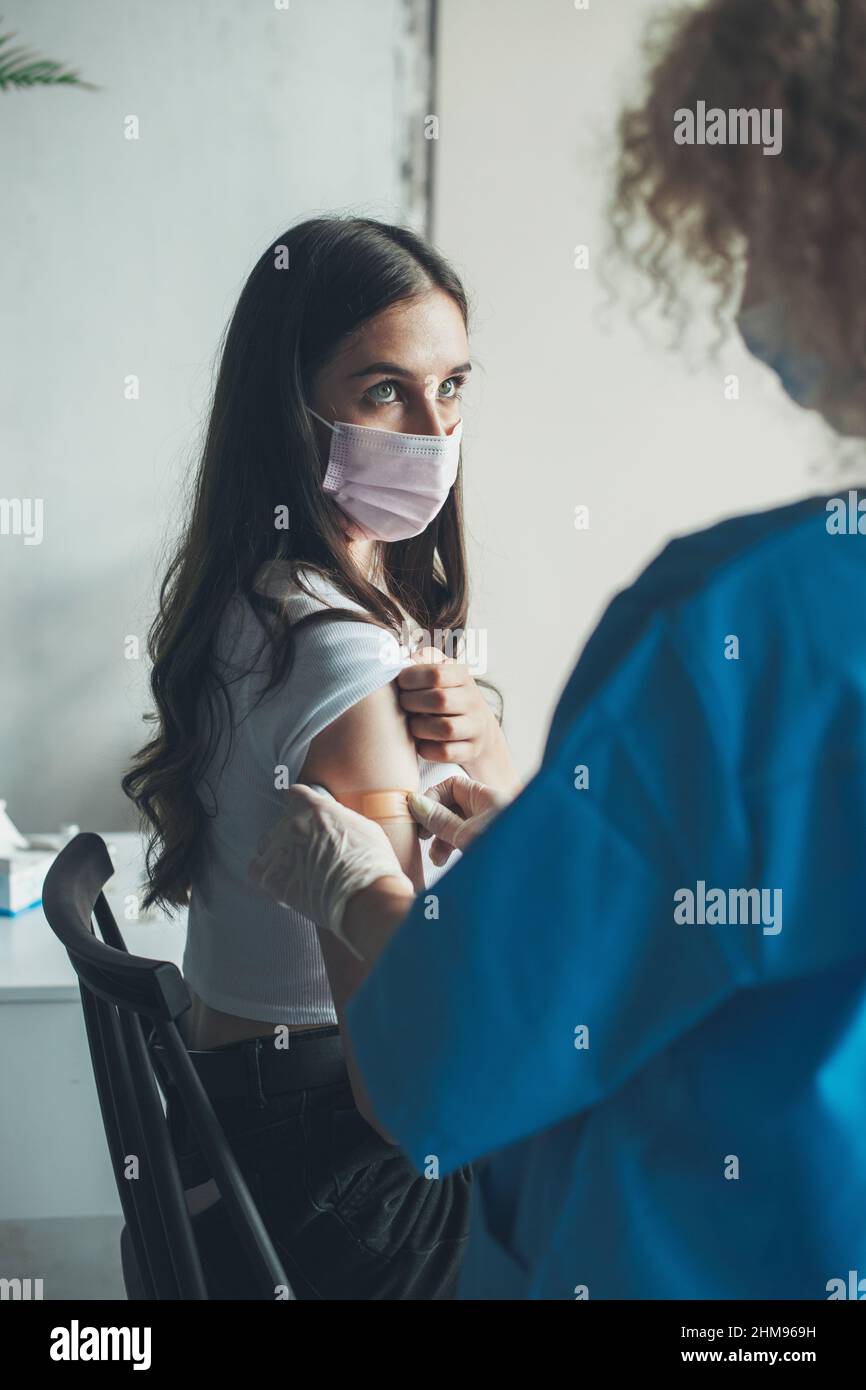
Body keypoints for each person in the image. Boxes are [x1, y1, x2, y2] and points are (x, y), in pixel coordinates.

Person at [250, 0, 866, 1299]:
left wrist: (362, 885)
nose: (744, 285)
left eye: (748, 228)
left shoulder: (740, 627)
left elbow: (440, 1074)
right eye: (384, 390)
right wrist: (559, 856)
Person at [122, 215, 518, 1299]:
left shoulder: (262, 601)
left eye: (452, 386)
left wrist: (492, 774)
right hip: (343, 1183)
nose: (433, 429)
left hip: (243, 1136)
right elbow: (409, 1097)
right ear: (288, 408)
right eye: (383, 388)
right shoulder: (342, 654)